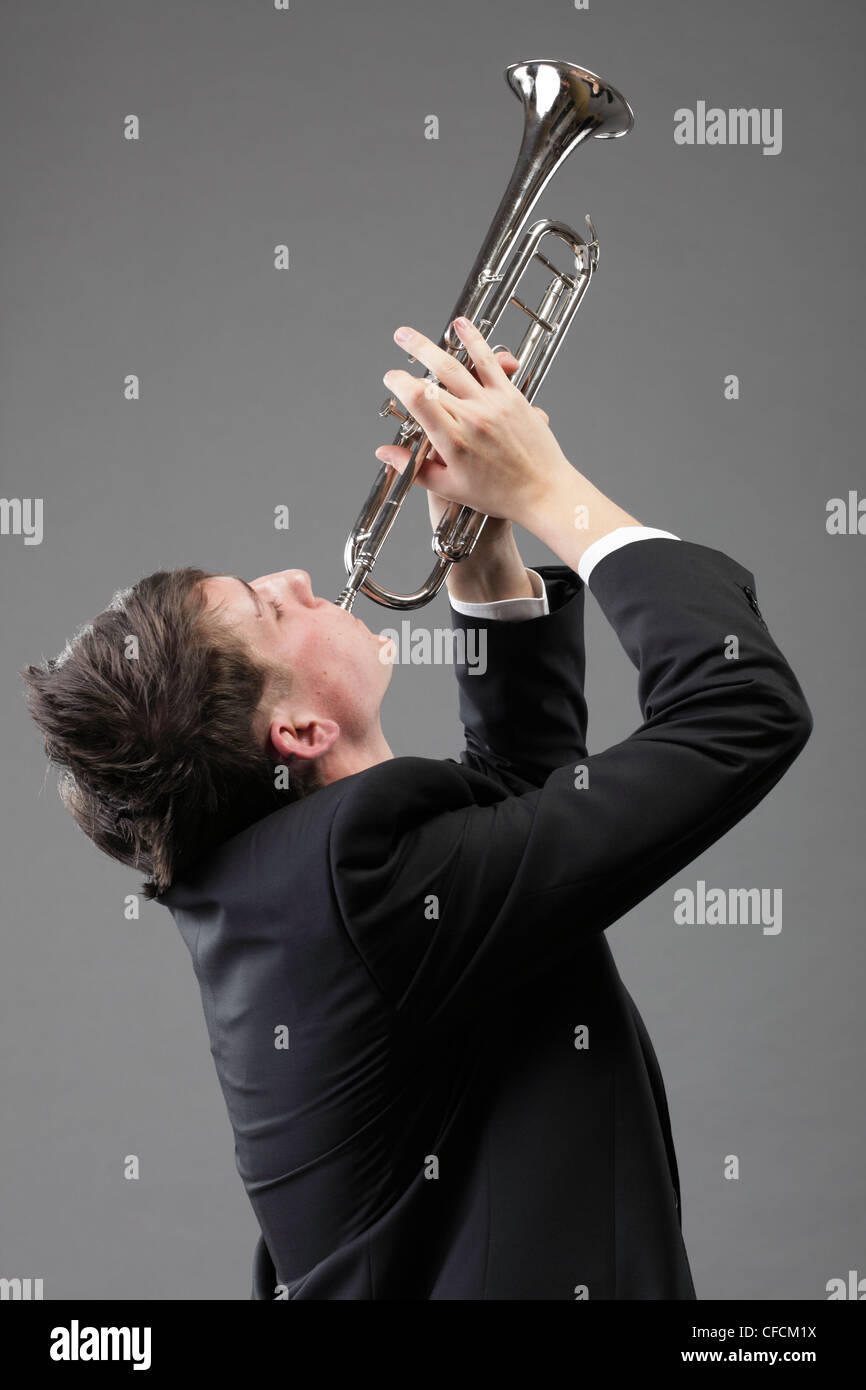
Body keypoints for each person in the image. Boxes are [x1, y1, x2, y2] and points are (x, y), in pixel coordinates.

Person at [22, 317, 812, 1299]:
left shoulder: (303, 874)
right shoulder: (364, 887)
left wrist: (479, 547)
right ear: (301, 732)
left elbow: (522, 823)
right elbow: (739, 710)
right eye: (268, 608)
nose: (296, 578)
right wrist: (546, 488)